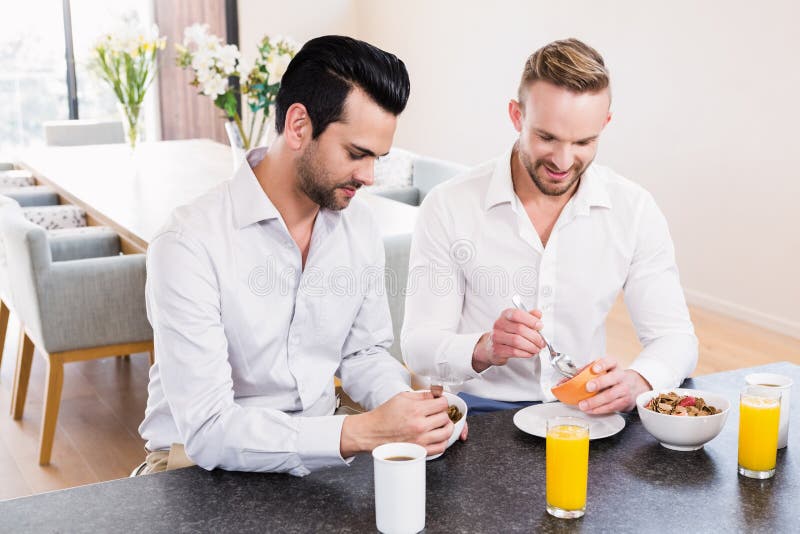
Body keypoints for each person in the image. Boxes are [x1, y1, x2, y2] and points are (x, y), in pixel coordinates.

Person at [139, 35, 459, 477]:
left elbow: (363, 353)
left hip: (317, 455)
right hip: (194, 467)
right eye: (355, 153)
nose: (368, 176)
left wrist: (407, 409)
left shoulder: (358, 226)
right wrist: (360, 433)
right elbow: (210, 428)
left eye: (378, 159)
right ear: (298, 126)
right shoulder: (189, 243)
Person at [401, 38, 697, 414]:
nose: (563, 160)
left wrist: (638, 380)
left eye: (584, 141)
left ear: (604, 125)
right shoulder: (448, 206)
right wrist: (484, 348)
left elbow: (675, 338)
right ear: (516, 116)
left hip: (584, 414)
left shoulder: (634, 209)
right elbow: (418, 347)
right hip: (481, 412)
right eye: (547, 137)